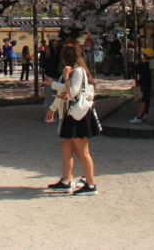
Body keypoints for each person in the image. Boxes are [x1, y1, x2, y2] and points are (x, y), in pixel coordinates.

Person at [44, 42, 100, 195]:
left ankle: (91, 184)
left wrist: (65, 78)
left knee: (82, 151)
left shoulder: (78, 71)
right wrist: (53, 106)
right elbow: (64, 92)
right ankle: (66, 180)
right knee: (66, 148)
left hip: (78, 115)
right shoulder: (68, 72)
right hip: (69, 113)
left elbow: (72, 92)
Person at [129, 48, 154, 124]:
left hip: (146, 85)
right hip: (146, 84)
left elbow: (136, 69)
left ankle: (139, 117)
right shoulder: (148, 64)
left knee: (145, 101)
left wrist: (136, 63)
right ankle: (145, 114)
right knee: (147, 100)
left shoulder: (146, 65)